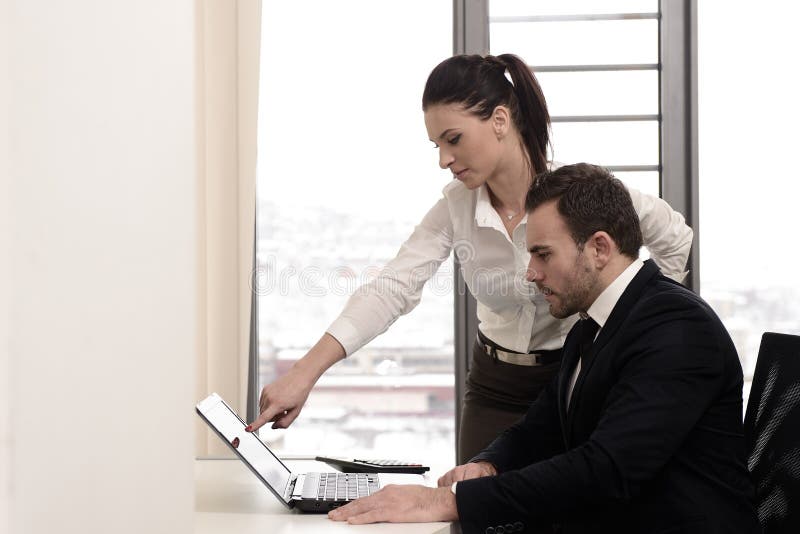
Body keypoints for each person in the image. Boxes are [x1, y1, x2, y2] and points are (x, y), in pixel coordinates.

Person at [247, 54, 694, 463]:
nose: (444, 159)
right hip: (494, 389)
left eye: (454, 139)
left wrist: (636, 330)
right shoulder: (455, 209)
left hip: (573, 382)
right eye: (437, 145)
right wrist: (305, 373)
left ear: (500, 120)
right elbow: (391, 289)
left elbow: (674, 238)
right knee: (475, 512)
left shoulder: (579, 199)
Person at [328, 163, 759, 534]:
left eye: (542, 254)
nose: (530, 274)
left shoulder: (676, 330)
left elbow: (606, 470)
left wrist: (445, 502)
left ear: (599, 248)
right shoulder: (591, 326)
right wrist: (489, 464)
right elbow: (541, 428)